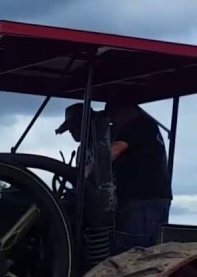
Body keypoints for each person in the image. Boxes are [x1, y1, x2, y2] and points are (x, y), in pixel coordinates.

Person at [56, 99, 172, 253]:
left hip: (143, 199)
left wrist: (83, 172)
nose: (113, 121)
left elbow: (114, 152)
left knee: (134, 251)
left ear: (126, 112)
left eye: (114, 116)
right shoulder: (86, 148)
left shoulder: (139, 125)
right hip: (137, 199)